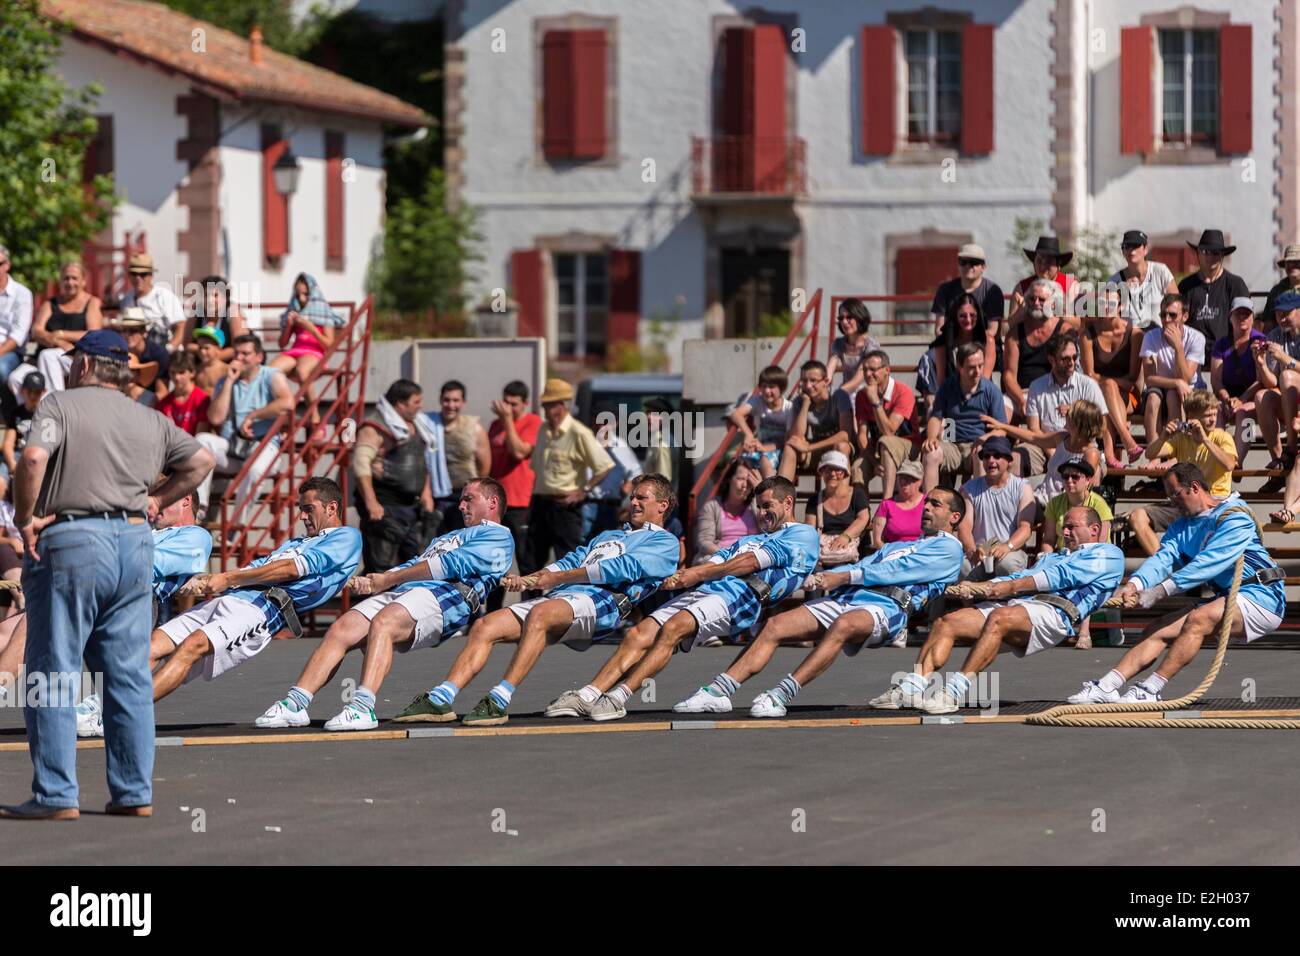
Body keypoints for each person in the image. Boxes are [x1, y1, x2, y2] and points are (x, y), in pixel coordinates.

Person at [0, 329, 212, 820]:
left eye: (75, 361)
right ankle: (134, 793)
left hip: (74, 538)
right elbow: (201, 460)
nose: (71, 368)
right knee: (127, 674)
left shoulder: (61, 405)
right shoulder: (150, 417)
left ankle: (55, 796)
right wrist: (158, 499)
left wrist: (26, 517)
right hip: (135, 541)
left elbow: (33, 457)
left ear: (88, 366)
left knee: (54, 671)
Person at [395, 474, 679, 726]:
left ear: (662, 505)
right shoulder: (609, 535)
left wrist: (558, 578)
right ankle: (441, 698)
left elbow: (621, 569)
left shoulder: (664, 543)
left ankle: (499, 699)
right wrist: (539, 576)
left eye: (642, 497)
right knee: (486, 626)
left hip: (604, 602)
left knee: (540, 614)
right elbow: (574, 559)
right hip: (566, 597)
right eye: (632, 497)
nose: (634, 503)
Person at [543, 476, 818, 723]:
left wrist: (695, 573)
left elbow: (747, 563)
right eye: (759, 506)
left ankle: (618, 697)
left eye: (768, 505)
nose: (762, 513)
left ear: (788, 502)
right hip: (709, 590)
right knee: (639, 633)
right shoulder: (752, 538)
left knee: (674, 628)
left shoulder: (802, 534)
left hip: (741, 597)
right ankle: (589, 694)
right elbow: (717, 560)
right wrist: (679, 577)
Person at [673, 488, 966, 717]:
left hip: (887, 608)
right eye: (926, 502)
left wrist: (844, 577)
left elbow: (898, 572)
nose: (926, 507)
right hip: (851, 596)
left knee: (843, 625)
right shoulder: (898, 545)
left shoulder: (950, 549)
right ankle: (719, 692)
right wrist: (819, 578)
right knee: (776, 625)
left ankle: (780, 694)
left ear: (954, 517)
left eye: (936, 504)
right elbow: (868, 563)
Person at [256, 478, 513, 731]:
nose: (461, 506)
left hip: (448, 597)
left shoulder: (499, 536)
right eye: (461, 500)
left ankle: (361, 708)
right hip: (411, 592)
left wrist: (388, 579)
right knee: (344, 627)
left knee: (384, 622)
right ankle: (296, 703)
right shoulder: (452, 535)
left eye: (469, 499)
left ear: (492, 503)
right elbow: (417, 563)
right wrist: (374, 581)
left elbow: (446, 566)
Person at [871, 505, 1124, 715]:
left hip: (1056, 615)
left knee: (998, 617)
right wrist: (979, 587)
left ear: (1094, 529)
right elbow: (1026, 575)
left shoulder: (1109, 554)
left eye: (1072, 527)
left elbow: (1062, 577)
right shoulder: (1053, 556)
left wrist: (1012, 586)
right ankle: (912, 688)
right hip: (1023, 605)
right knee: (947, 622)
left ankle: (952, 693)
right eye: (1064, 526)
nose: (1065, 532)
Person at [1070, 463, 1283, 704]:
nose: (1172, 502)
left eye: (1175, 494)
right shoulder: (1180, 528)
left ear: (1193, 487)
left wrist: (1160, 591)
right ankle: (1107, 686)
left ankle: (1151, 689)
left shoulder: (1234, 516)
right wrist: (1136, 585)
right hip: (1225, 598)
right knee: (1158, 628)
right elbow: (1162, 559)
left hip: (1262, 596)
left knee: (1199, 618)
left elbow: (1208, 563)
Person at [149, 477, 361, 702]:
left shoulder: (347, 537)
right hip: (230, 598)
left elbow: (290, 569)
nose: (302, 516)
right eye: (300, 509)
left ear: (332, 508)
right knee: (151, 646)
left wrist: (228, 578)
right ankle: (113, 713)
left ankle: (127, 716)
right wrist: (215, 580)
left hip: (262, 609)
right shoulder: (292, 544)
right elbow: (253, 570)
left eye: (308, 509)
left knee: (193, 646)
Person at [74, 492, 215, 737]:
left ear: (186, 501)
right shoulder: (144, 532)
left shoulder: (195, 536)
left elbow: (148, 566)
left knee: (146, 652)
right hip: (100, 589)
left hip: (130, 597)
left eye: (163, 499)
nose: (153, 506)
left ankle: (98, 707)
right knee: (16, 627)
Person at [196, 333, 293, 525]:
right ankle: (200, 508)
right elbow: (215, 417)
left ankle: (235, 526)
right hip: (233, 449)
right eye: (237, 353)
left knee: (255, 470)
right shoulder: (226, 380)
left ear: (259, 357)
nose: (239, 358)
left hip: (263, 446)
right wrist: (230, 382)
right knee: (201, 440)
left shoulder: (271, 375)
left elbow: (288, 403)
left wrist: (253, 416)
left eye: (245, 353)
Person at [1127, 390, 1238, 556]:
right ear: (1192, 416)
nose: (1213, 419)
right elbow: (1150, 454)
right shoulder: (1182, 438)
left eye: (1215, 414)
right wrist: (1163, 436)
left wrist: (1205, 440)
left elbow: (1229, 464)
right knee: (1137, 516)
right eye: (1208, 415)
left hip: (1213, 505)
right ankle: (1166, 566)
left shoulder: (1222, 437)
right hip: (1184, 503)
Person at [523, 378, 614, 574]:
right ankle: (530, 603)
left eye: (549, 404)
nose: (545, 409)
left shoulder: (578, 432)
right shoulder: (543, 430)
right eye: (545, 404)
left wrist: (584, 491)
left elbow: (604, 466)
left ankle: (565, 603)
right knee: (531, 563)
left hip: (565, 507)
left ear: (561, 406)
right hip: (540, 503)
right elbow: (537, 470)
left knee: (567, 564)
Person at [353, 379, 435, 574]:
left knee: (414, 567)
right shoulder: (374, 427)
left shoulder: (414, 426)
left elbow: (419, 462)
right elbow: (360, 463)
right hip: (385, 510)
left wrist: (426, 493)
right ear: (400, 403)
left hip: (410, 509)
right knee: (381, 569)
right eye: (416, 402)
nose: (420, 406)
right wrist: (372, 503)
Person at [1016, 332, 1108, 477]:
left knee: (1092, 470)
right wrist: (1053, 451)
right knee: (1016, 457)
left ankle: (1088, 499)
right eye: (1065, 359)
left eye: (1074, 357)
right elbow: (1034, 429)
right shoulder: (1037, 386)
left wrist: (1076, 412)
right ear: (1051, 360)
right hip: (1044, 445)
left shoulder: (1088, 385)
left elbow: (1102, 425)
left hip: (1081, 445)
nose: (1072, 362)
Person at [983, 399, 1104, 506]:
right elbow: (1034, 438)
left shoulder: (1091, 453)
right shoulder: (1062, 438)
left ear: (1079, 423)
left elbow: (1081, 490)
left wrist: (1056, 511)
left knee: (1019, 511)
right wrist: (1003, 426)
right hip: (1042, 497)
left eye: (1070, 414)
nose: (1066, 415)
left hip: (1063, 505)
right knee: (1010, 503)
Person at [487, 380, 542, 608]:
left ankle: (532, 608)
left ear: (525, 403)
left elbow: (519, 452)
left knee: (526, 561)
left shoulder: (533, 423)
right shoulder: (495, 425)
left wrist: (508, 420)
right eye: (506, 403)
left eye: (515, 404)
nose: (509, 408)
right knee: (494, 561)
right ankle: (491, 611)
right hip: (498, 504)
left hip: (521, 502)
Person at [922, 342, 1006, 489]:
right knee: (931, 454)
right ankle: (930, 504)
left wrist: (985, 438)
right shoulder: (948, 387)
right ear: (959, 367)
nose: (978, 371)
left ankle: (979, 506)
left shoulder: (991, 390)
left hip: (977, 444)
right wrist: (932, 438)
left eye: (981, 365)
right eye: (972, 367)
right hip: (951, 443)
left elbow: (1002, 429)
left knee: (982, 454)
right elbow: (936, 417)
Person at [273, 273, 344, 437]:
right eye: (298, 294)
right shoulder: (294, 310)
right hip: (295, 350)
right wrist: (289, 326)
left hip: (314, 352)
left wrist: (310, 327)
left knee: (302, 371)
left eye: (305, 294)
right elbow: (282, 344)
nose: (302, 298)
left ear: (313, 293)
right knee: (270, 371)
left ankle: (315, 418)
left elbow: (329, 344)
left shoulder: (323, 312)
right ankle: (282, 412)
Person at [956, 436, 1034, 579]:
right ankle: (969, 602)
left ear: (1009, 460)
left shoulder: (1022, 487)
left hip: (1011, 549)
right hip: (981, 550)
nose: (991, 460)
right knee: (963, 567)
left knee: (1007, 565)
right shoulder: (969, 488)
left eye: (997, 456)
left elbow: (1025, 528)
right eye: (986, 456)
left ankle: (1008, 602)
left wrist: (1007, 546)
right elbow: (964, 526)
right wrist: (972, 550)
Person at [1083, 284, 1143, 464]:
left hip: (1128, 395)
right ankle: (1126, 440)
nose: (1106, 307)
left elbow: (1132, 376)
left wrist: (1111, 383)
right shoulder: (1088, 334)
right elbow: (1089, 374)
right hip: (1097, 393)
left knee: (1108, 391)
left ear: (1121, 307)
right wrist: (1114, 382)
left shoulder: (1134, 334)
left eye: (1111, 303)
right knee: (1107, 390)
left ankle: (1111, 453)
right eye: (1102, 303)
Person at [20, 261, 103, 393]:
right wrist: (59, 341)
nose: (70, 282)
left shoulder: (92, 302)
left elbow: (94, 333)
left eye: (74, 278)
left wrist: (62, 334)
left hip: (77, 357)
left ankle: (57, 408)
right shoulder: (50, 303)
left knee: (48, 357)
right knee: (15, 378)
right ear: (61, 281)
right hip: (43, 354)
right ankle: (27, 412)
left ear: (83, 281)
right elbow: (36, 330)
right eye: (66, 278)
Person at [1003, 277, 1076, 423]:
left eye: (1042, 300)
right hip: (1021, 394)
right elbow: (1009, 375)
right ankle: (997, 443)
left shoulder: (1064, 330)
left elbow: (1068, 372)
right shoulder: (1016, 333)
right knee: (1002, 405)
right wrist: (1021, 401)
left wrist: (1042, 394)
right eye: (1032, 299)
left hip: (1053, 392)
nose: (1036, 303)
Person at [424, 379, 490, 535]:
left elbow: (485, 467)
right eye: (447, 400)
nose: (451, 405)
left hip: (464, 495)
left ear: (463, 402)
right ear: (440, 400)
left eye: (456, 400)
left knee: (462, 543)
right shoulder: (428, 426)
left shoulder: (474, 429)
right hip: (435, 496)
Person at [855, 349, 920, 500]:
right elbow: (862, 436)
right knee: (857, 469)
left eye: (873, 369)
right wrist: (874, 462)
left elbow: (889, 431)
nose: (868, 374)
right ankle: (862, 515)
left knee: (886, 441)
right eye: (865, 370)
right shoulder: (861, 395)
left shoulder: (903, 391)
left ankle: (886, 504)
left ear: (886, 370)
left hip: (909, 447)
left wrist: (875, 402)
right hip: (881, 450)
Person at [1139, 293, 1204, 445]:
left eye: (1172, 315)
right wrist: (1176, 383)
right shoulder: (1151, 337)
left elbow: (1186, 378)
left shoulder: (1196, 338)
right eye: (1163, 315)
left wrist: (1178, 347)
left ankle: (1174, 452)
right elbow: (1149, 379)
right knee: (1153, 398)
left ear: (1185, 316)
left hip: (1190, 391)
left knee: (1173, 396)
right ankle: (1154, 454)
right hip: (1161, 388)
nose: (1166, 320)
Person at [1178, 229, 1249, 366]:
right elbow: (1177, 321)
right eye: (1205, 251)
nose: (1210, 256)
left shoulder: (1235, 284)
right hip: (1191, 356)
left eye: (1215, 252)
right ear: (1198, 253)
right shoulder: (1186, 286)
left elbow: (1246, 322)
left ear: (1222, 255)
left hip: (1227, 356)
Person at [1209, 298, 1266, 466]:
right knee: (1216, 411)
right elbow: (1216, 379)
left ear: (1252, 318)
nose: (1242, 317)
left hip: (1252, 395)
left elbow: (1261, 379)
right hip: (1227, 396)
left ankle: (1237, 461)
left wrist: (1241, 399)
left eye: (1246, 314)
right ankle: (1216, 460)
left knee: (1244, 414)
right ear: (1230, 317)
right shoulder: (1222, 344)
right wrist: (1227, 399)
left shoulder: (1260, 341)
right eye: (1238, 313)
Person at [778, 360, 853, 481]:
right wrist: (805, 404)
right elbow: (795, 436)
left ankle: (841, 496)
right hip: (817, 449)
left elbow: (845, 435)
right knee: (790, 447)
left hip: (839, 448)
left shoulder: (839, 396)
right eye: (804, 381)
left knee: (841, 446)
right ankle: (781, 494)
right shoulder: (800, 401)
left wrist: (809, 448)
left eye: (813, 381)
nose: (807, 386)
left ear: (826, 381)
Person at [1256, 290, 1300, 487]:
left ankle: (1290, 449)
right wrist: (1261, 364)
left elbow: (1285, 374)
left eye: (1286, 313)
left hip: (1295, 396)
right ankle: (1279, 463)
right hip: (1288, 400)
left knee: (1288, 375)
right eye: (1277, 314)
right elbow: (1271, 383)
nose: (1281, 318)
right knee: (1260, 396)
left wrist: (1286, 359)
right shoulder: (1274, 335)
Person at [727, 365, 792, 479]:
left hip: (780, 449)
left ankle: (769, 490)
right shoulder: (758, 401)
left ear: (781, 388)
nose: (767, 391)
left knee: (765, 461)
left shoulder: (788, 409)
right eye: (764, 387)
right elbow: (735, 414)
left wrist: (765, 448)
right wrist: (749, 435)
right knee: (736, 462)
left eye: (771, 387)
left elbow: (790, 440)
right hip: (759, 447)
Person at [806, 450, 870, 565]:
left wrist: (845, 536)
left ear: (845, 473)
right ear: (821, 472)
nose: (832, 474)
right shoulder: (814, 500)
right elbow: (810, 531)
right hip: (824, 555)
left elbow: (863, 518)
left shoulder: (857, 494)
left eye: (838, 470)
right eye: (828, 469)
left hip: (851, 554)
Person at [930, 243, 1005, 338]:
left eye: (974, 262)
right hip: (952, 346)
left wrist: (969, 347)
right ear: (958, 265)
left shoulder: (992, 292)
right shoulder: (944, 290)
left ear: (983, 267)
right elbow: (939, 330)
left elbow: (992, 331)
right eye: (963, 262)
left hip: (984, 346)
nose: (968, 266)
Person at [1107, 229, 1177, 330]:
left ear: (1146, 249)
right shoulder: (1114, 280)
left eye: (1135, 245)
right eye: (1127, 246)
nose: (1131, 250)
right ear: (1123, 252)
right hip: (1127, 340)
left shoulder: (1160, 271)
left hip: (1158, 337)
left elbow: (1177, 306)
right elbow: (1107, 316)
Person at [1041, 457, 1112, 555]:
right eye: (1066, 476)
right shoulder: (1054, 503)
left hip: (1093, 556)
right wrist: (1046, 557)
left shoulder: (1099, 504)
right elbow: (1049, 540)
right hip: (1064, 556)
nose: (1069, 480)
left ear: (1087, 480)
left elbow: (1101, 542)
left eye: (1075, 476)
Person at [694, 456, 759, 559]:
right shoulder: (712, 507)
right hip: (719, 560)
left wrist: (759, 491)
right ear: (729, 479)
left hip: (748, 562)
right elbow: (704, 542)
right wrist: (729, 556)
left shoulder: (755, 508)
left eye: (749, 481)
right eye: (740, 479)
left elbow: (768, 532)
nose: (744, 485)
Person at [826, 298, 881, 418]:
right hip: (845, 391)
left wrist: (837, 394)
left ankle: (851, 435)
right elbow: (829, 371)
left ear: (860, 317)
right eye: (841, 318)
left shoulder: (871, 345)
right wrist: (821, 387)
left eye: (849, 317)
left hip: (866, 391)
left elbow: (858, 381)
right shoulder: (839, 343)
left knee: (848, 397)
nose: (844, 322)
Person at [930, 293, 997, 390]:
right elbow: (941, 381)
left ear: (978, 316)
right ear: (955, 316)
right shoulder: (943, 342)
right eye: (963, 315)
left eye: (972, 315)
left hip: (981, 393)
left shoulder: (988, 341)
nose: (968, 320)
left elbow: (984, 378)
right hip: (952, 393)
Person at [120, 252, 185, 352]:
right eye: (134, 274)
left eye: (143, 274)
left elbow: (180, 327)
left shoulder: (164, 296)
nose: (138, 278)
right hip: (141, 355)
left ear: (151, 275)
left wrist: (167, 351)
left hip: (167, 354)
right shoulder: (127, 299)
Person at [1008, 236, 1078, 327]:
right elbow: (1011, 324)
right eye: (1039, 260)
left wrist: (1057, 311)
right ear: (1034, 262)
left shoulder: (1071, 286)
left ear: (1059, 264)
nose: (1043, 265)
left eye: (1049, 261)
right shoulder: (1021, 287)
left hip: (1060, 338)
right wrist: (1024, 309)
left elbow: (1078, 324)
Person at [111, 309, 169, 405]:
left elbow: (162, 393)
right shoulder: (117, 352)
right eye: (124, 330)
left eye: (133, 330)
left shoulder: (159, 354)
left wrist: (142, 395)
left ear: (144, 332)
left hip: (150, 408)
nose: (127, 335)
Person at [185, 275, 246, 363]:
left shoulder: (233, 312)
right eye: (206, 295)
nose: (210, 300)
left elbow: (240, 347)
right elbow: (187, 344)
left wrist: (211, 356)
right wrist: (204, 351)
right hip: (202, 364)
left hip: (228, 364)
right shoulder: (195, 313)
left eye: (215, 295)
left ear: (225, 298)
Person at [0, 244, 34, 390]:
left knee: (0, 369)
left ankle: (5, 411)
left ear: (7, 265)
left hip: (9, 352)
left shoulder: (22, 294)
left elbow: (18, 336)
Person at [871, 459, 926, 548]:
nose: (904, 482)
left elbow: (937, 535)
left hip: (921, 553)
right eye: (901, 477)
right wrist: (891, 553)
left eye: (909, 479)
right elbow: (878, 541)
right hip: (893, 555)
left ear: (919, 481)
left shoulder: (928, 503)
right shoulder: (886, 505)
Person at [1, 372, 45, 480]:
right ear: (22, 391)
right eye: (29, 391)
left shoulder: (47, 414)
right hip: (17, 455)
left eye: (37, 392)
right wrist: (12, 465)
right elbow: (8, 444)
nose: (33, 396)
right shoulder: (16, 413)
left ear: (44, 392)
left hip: (37, 457)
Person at [155, 353, 210, 437]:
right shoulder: (163, 404)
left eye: (181, 372)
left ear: (192, 373)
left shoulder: (202, 400)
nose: (176, 377)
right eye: (172, 372)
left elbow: (201, 436)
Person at [192, 326, 229, 394]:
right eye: (200, 347)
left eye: (206, 348)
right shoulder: (196, 371)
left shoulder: (226, 370)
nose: (202, 351)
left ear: (218, 349)